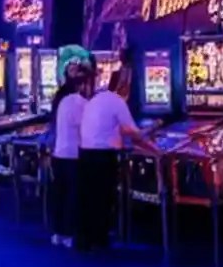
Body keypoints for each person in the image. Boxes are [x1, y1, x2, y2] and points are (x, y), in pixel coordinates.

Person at [77, 60, 153, 250]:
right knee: (103, 199)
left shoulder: (95, 100)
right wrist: (155, 129)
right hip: (103, 157)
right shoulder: (117, 101)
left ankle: (86, 240)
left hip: (85, 154)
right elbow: (134, 134)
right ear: (123, 86)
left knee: (89, 199)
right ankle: (100, 240)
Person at [48, 72, 87, 248]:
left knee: (59, 195)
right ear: (82, 86)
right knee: (73, 196)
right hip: (74, 155)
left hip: (59, 153)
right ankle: (70, 234)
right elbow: (87, 126)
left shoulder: (62, 101)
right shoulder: (80, 103)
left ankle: (57, 233)